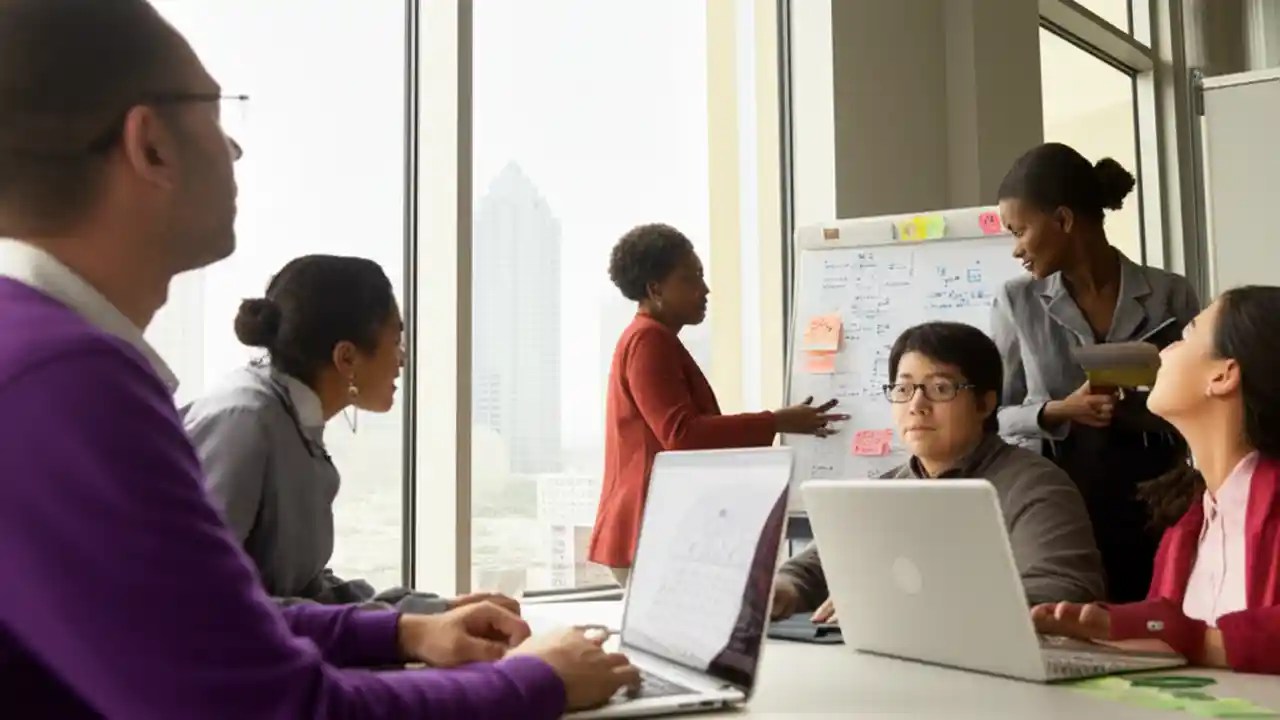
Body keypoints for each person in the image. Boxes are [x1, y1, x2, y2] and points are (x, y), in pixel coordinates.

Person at [0, 1, 635, 716]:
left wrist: (405, 628)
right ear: (151, 146)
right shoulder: (63, 383)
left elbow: (213, 628)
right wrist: (538, 679)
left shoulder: (46, 360)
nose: (234, 150)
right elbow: (276, 708)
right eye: (215, 113)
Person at [185, 254, 513, 614]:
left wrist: (434, 612)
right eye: (396, 340)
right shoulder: (244, 421)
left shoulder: (291, 420)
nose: (402, 359)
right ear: (346, 358)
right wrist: (407, 627)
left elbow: (307, 591)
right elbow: (199, 600)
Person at [772, 322, 1104, 621]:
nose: (917, 405)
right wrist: (784, 589)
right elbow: (814, 566)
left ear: (985, 404)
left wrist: (912, 604)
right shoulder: (886, 490)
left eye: (941, 388)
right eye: (903, 390)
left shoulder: (1036, 485)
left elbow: (1065, 588)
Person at [1032, 286, 1280, 675]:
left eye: (1184, 337)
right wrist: (1107, 630)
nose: (1162, 354)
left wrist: (1188, 637)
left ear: (1223, 375)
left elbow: (1179, 635)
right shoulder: (1188, 525)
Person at [993, 142, 1201, 602]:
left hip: (1158, 495)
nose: (1016, 249)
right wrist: (1059, 410)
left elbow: (1204, 397)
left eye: (1020, 231)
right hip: (1057, 498)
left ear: (1064, 220)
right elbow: (994, 414)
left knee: (1156, 618)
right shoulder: (1016, 302)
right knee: (1070, 615)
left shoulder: (1170, 293)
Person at [588, 223, 846, 585]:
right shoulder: (649, 341)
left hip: (654, 524)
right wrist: (776, 421)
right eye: (691, 278)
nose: (704, 289)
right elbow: (682, 435)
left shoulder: (652, 337)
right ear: (655, 289)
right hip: (648, 525)